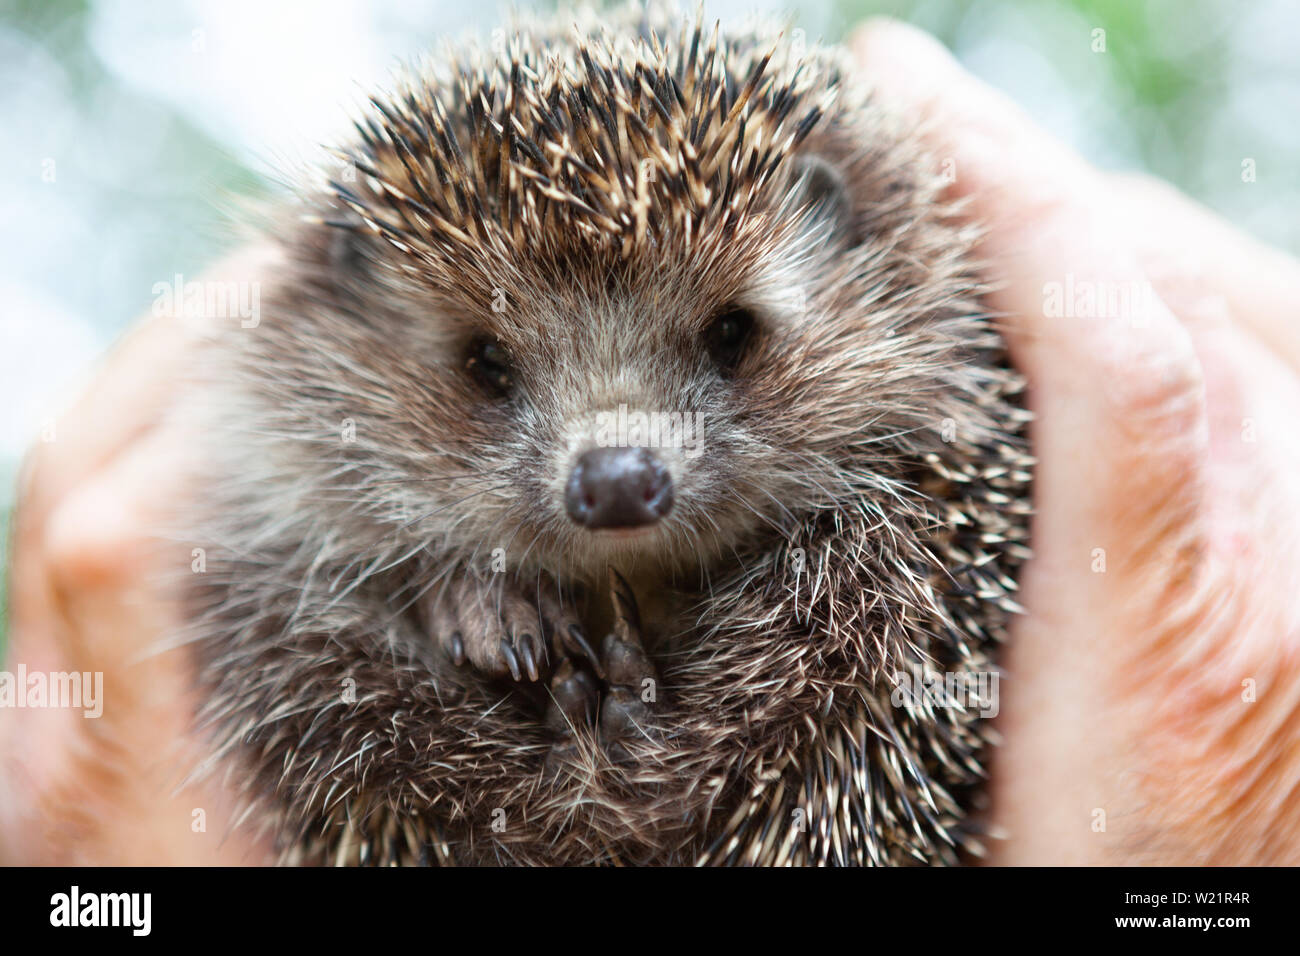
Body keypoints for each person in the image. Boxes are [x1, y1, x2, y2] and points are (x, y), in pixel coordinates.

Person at [3, 20, 1298, 865]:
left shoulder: (938, 435)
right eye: (492, 369)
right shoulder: (302, 470)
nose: (618, 466)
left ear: (846, 240)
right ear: (344, 316)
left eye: (728, 339)